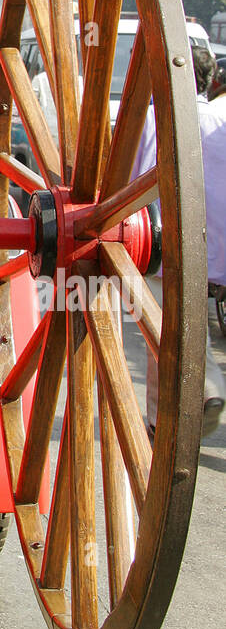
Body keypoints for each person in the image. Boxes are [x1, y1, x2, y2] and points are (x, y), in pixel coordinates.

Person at [132, 45, 225, 439]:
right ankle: (203, 388)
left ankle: (173, 409)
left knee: (160, 321)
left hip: (165, 239)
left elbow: (134, 182)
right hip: (217, 243)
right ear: (210, 81)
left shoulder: (152, 120)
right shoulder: (218, 118)